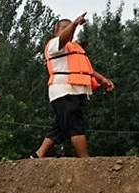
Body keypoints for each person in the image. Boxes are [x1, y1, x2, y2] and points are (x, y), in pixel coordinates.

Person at [32, 13, 114, 158]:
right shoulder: (55, 44)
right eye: (64, 27)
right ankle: (85, 159)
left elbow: (87, 69)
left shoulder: (76, 48)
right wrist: (74, 23)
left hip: (77, 91)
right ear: (56, 32)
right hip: (63, 90)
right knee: (75, 125)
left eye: (68, 27)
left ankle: (39, 154)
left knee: (60, 127)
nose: (67, 29)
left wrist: (102, 79)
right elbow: (64, 38)